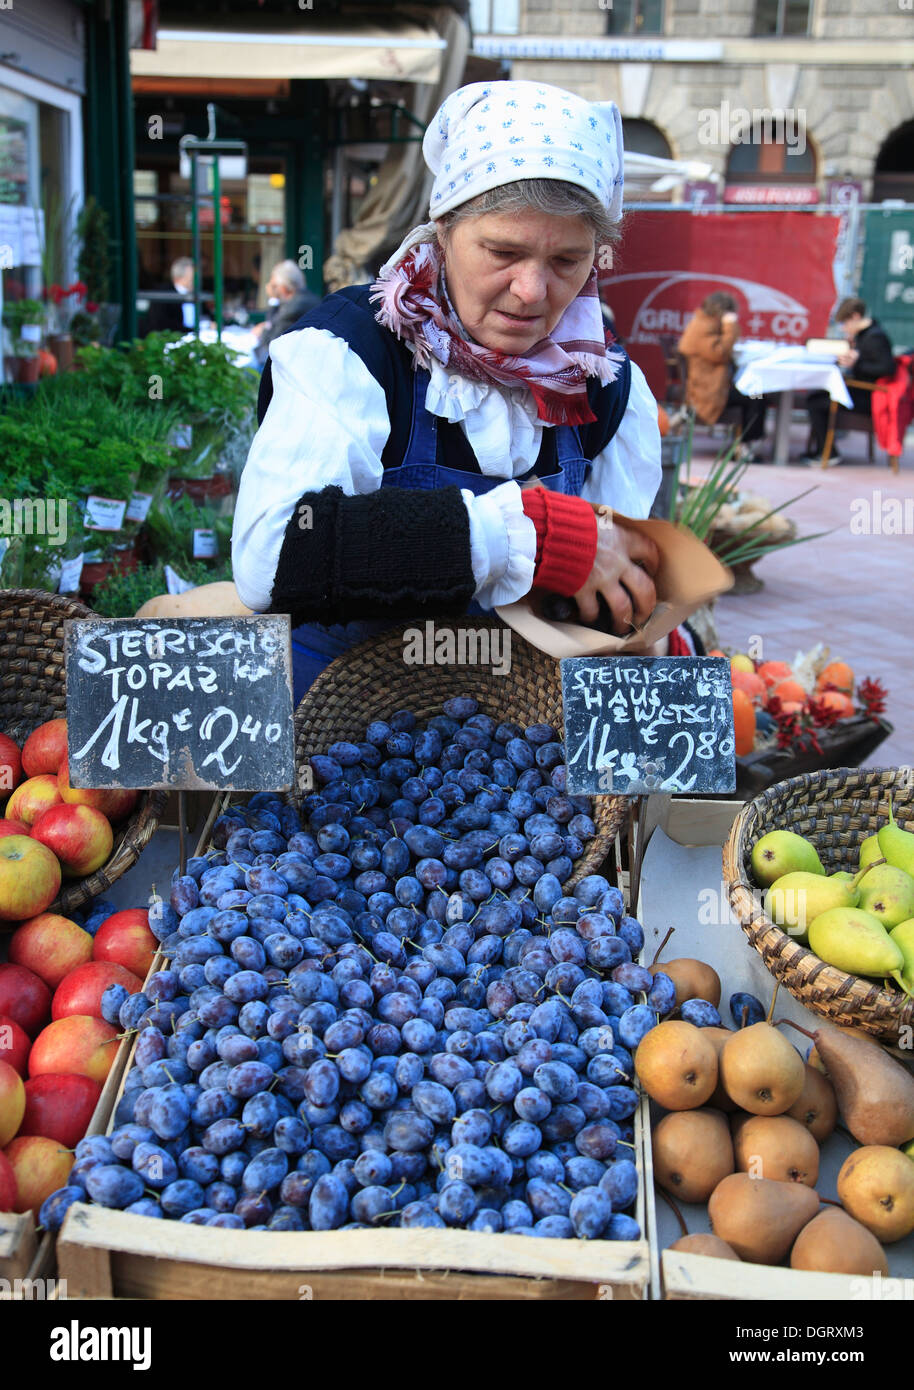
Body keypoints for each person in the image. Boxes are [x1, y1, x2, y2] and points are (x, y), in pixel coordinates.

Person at [232, 81, 662, 700]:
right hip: (334, 730)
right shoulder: (352, 351)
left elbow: (604, 588)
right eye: (503, 251)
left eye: (568, 261)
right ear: (444, 225)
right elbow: (273, 556)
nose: (532, 290)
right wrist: (530, 533)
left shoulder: (607, 387)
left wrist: (642, 616)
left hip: (507, 761)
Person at [802, 297, 896, 463]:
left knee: (816, 401)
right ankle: (824, 450)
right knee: (816, 396)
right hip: (862, 391)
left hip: (870, 397)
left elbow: (887, 369)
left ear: (854, 317)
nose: (844, 329)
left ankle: (828, 452)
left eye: (844, 324)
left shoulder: (875, 337)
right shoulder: (865, 335)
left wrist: (856, 364)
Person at [677, 292, 767, 461]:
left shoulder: (705, 324)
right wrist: (731, 325)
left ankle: (748, 442)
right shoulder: (703, 328)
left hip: (712, 388)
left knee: (757, 393)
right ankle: (747, 445)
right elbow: (721, 353)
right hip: (708, 394)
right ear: (723, 311)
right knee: (757, 396)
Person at [251, 260, 320, 368]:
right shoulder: (300, 298)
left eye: (274, 286)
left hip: (297, 363)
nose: (269, 288)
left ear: (283, 288)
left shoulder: (295, 307)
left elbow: (271, 343)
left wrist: (272, 299)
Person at [145, 257, 196, 335]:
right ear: (179, 277)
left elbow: (206, 315)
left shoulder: (195, 294)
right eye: (192, 276)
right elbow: (160, 322)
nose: (196, 279)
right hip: (172, 338)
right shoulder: (164, 293)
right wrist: (192, 330)